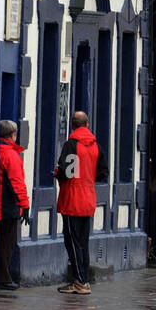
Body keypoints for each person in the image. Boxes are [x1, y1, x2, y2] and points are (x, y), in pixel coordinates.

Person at [54, 111, 108, 294]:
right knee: (83, 242)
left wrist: (56, 172)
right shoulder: (96, 146)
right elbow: (103, 173)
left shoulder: (71, 145)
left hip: (72, 199)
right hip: (88, 198)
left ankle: (79, 281)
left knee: (72, 241)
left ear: (72, 125)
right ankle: (83, 279)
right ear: (87, 124)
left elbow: (67, 172)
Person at [0, 120, 30, 290]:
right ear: (12, 135)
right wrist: (25, 206)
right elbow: (17, 183)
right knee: (6, 243)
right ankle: (4, 277)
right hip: (8, 206)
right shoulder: (10, 154)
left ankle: (2, 276)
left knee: (1, 241)